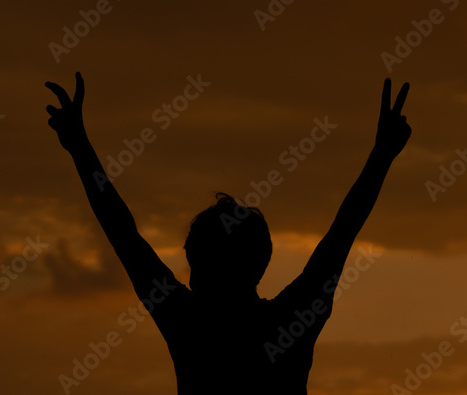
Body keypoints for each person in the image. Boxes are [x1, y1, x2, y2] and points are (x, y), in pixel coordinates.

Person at [46, 72, 411, 394]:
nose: (189, 277)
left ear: (200, 267)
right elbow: (342, 233)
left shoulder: (188, 323)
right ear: (260, 264)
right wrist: (381, 156)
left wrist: (80, 148)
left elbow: (122, 233)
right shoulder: (293, 319)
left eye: (194, 262)